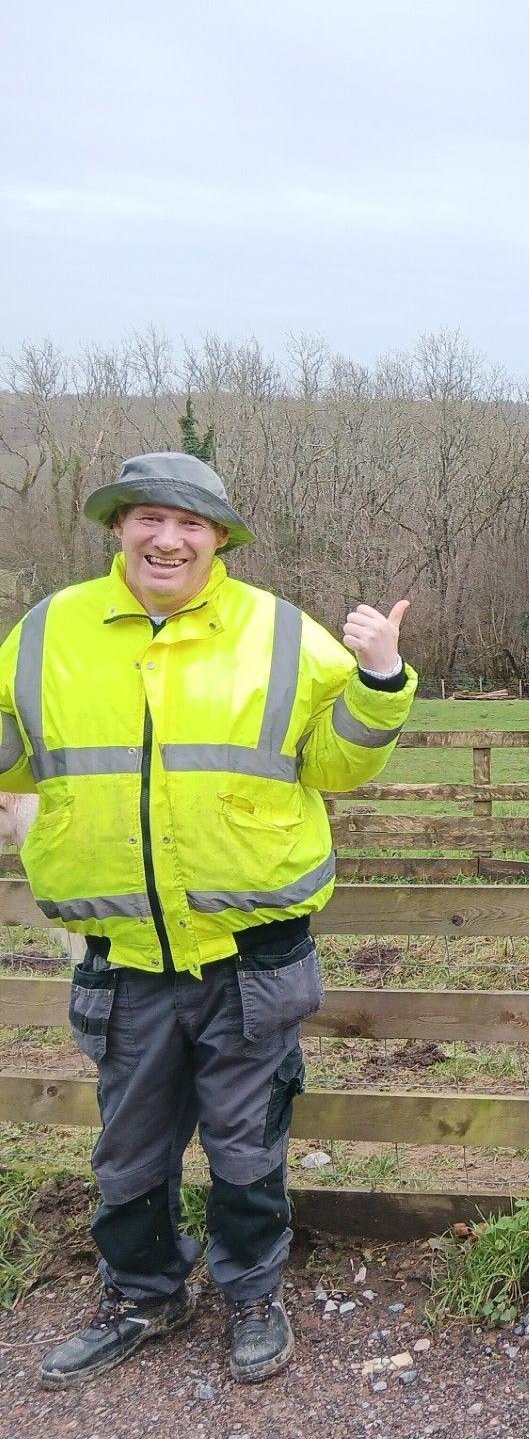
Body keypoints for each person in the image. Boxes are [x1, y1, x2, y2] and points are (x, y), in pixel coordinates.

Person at [0, 452, 417, 1389]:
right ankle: (143, 1295)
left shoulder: (280, 634)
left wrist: (380, 679)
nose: (167, 538)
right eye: (149, 518)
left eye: (190, 524)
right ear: (119, 528)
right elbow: (8, 757)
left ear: (220, 537)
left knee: (246, 1140)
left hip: (252, 950)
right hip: (125, 949)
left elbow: (337, 763)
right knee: (130, 1146)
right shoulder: (46, 633)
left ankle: (253, 1297)